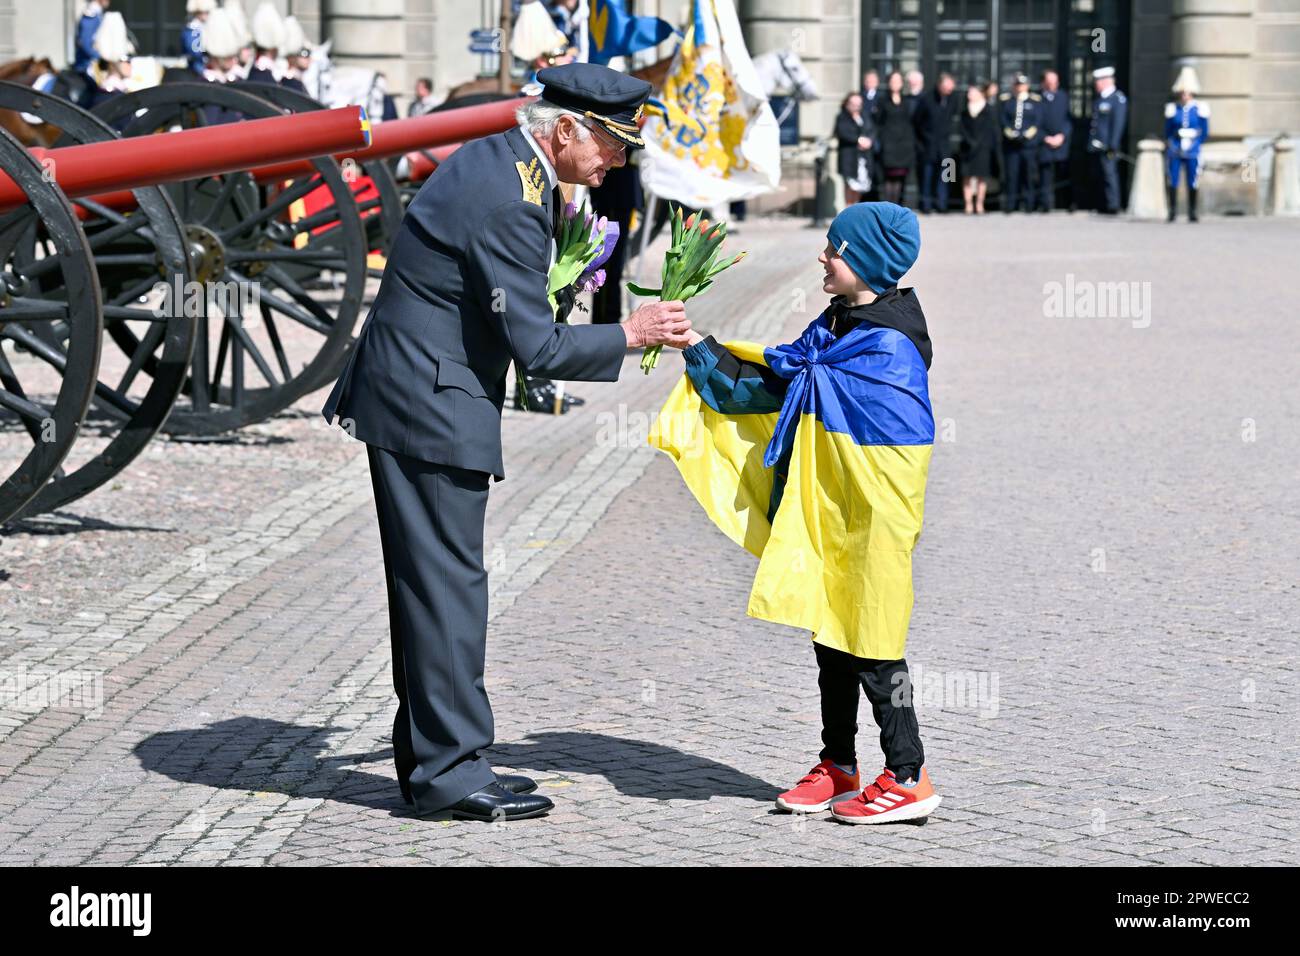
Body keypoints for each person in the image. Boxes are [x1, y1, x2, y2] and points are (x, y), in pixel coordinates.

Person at [320, 63, 692, 822]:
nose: (617, 161)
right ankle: (449, 773)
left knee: (441, 587)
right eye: (613, 144)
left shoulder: (509, 165)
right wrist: (631, 332)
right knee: (445, 588)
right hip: (424, 405)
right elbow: (540, 349)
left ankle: (446, 757)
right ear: (563, 130)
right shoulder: (511, 197)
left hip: (424, 392)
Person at [651, 202, 940, 825]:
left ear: (865, 262)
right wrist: (697, 345)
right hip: (827, 503)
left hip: (873, 510)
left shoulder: (889, 344)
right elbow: (771, 384)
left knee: (874, 636)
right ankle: (839, 764)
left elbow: (889, 441)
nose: (823, 256)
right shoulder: (836, 324)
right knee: (828, 630)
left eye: (834, 248)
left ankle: (908, 775)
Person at [1165, 66, 1209, 223]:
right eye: (1182, 93)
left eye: (1187, 93)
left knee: (1193, 180)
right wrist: (1171, 144)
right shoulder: (1173, 109)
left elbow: (1204, 131)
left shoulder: (1199, 109)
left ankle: (1192, 211)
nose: (1185, 96)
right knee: (1173, 179)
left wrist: (1195, 143)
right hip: (1176, 148)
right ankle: (1172, 210)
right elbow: (1168, 130)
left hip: (1192, 148)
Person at [913, 72, 957, 213]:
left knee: (946, 176)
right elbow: (916, 121)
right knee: (927, 176)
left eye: (951, 88)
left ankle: (942, 204)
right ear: (939, 85)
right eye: (947, 87)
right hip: (928, 146)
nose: (949, 90)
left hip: (945, 147)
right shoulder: (926, 100)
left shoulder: (953, 99)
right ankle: (926, 204)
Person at [999, 73, 1041, 213]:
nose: (1020, 88)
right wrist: (1010, 132)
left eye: (1022, 85)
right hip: (1012, 145)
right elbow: (1003, 119)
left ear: (1027, 86)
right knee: (1012, 175)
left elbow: (1037, 121)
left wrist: (1027, 134)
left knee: (1028, 175)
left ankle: (1029, 204)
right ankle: (1011, 204)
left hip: (1028, 145)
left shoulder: (1034, 101)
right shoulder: (1007, 101)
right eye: (1017, 85)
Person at [1087, 65, 1127, 214]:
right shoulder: (1100, 99)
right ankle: (1101, 204)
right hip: (1097, 145)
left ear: (1105, 81)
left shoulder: (1118, 99)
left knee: (1110, 175)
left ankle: (1113, 205)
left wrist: (1113, 144)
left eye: (1097, 81)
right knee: (1098, 175)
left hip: (1108, 146)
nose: (1096, 84)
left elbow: (1117, 124)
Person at [874, 71, 914, 205]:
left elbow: (911, 122)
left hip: (904, 145)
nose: (895, 84)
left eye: (898, 81)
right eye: (892, 81)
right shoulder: (882, 101)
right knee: (889, 178)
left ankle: (898, 207)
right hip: (889, 145)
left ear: (902, 83)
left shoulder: (907, 101)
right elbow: (877, 122)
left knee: (900, 177)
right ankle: (888, 206)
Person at [1035, 68, 1071, 212]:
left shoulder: (1063, 97)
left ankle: (1067, 203)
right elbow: (1034, 121)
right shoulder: (1037, 99)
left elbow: (1068, 119)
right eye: (1049, 82)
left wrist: (1062, 135)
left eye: (1055, 83)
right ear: (1043, 83)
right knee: (1045, 175)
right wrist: (1045, 137)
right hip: (1045, 142)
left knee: (1064, 173)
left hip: (1061, 141)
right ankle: (1045, 204)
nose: (1052, 85)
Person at [959, 82, 997, 214]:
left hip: (982, 148)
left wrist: (979, 143)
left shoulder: (988, 110)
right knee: (966, 177)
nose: (969, 94)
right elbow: (962, 128)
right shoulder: (964, 110)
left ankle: (980, 203)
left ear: (980, 93)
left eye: (972, 92)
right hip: (967, 148)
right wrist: (969, 141)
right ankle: (968, 204)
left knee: (982, 177)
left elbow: (989, 130)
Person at [834, 91, 875, 207]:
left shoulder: (864, 116)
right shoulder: (842, 117)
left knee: (860, 186)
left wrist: (869, 141)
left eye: (858, 104)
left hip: (864, 157)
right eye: (853, 103)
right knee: (850, 185)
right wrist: (858, 140)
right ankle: (848, 210)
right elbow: (842, 133)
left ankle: (855, 208)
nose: (856, 106)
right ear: (847, 104)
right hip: (849, 157)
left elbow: (872, 130)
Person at [279, 16, 312, 94]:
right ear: (294, 56)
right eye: (304, 55)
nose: (310, 59)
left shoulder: (298, 80)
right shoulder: (290, 81)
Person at [181, 0, 213, 76]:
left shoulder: (208, 26)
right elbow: (194, 50)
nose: (206, 15)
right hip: (197, 67)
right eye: (203, 12)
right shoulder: (192, 28)